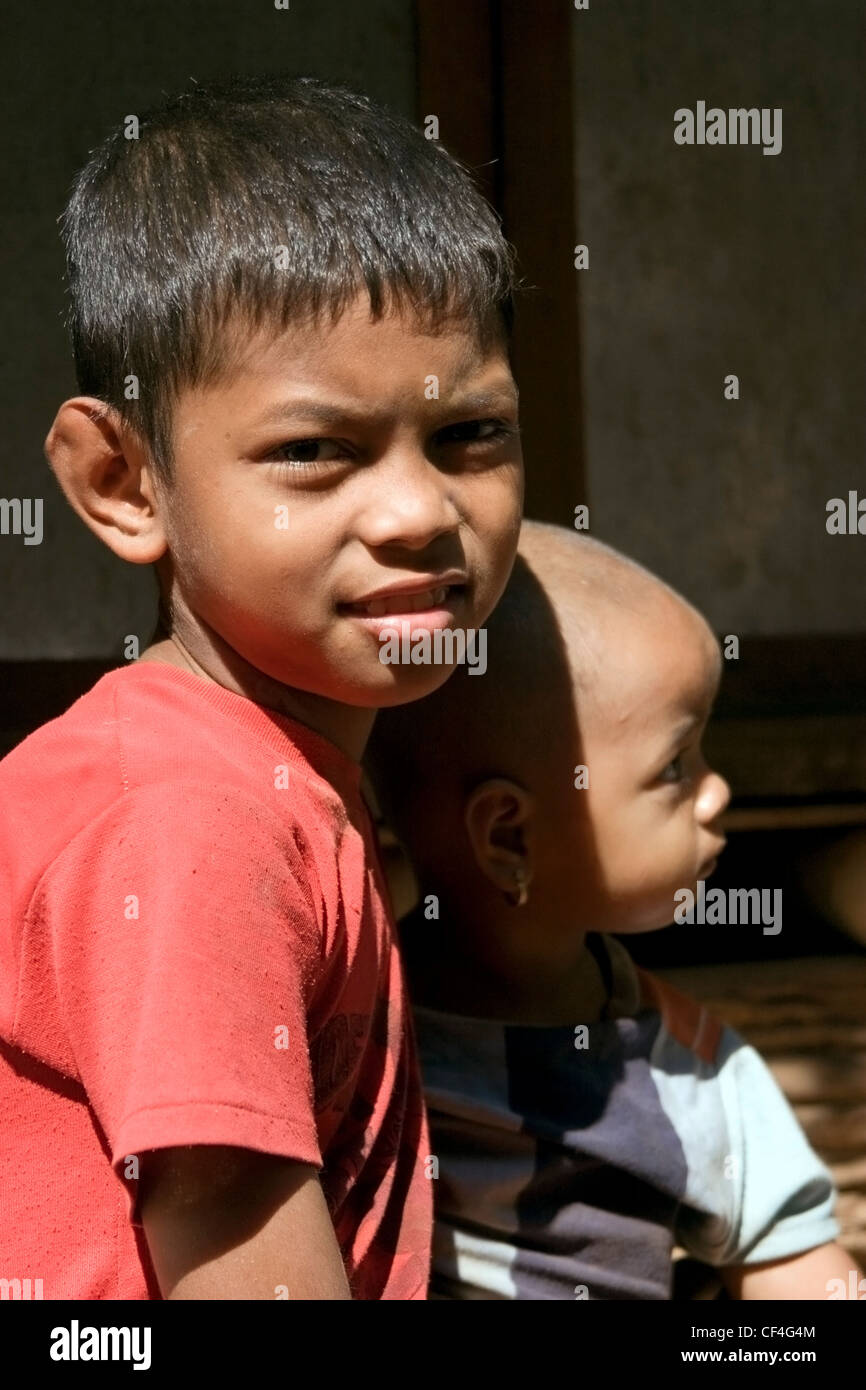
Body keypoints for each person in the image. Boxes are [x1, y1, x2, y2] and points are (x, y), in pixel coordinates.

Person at [0, 74, 524, 1300]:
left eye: (469, 437)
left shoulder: (268, 773)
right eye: (311, 452)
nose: (416, 512)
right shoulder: (193, 821)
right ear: (124, 482)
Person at [367, 521, 860, 1299]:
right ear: (507, 835)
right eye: (675, 766)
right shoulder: (357, 1043)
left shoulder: (691, 1071)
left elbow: (797, 1270)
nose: (718, 790)